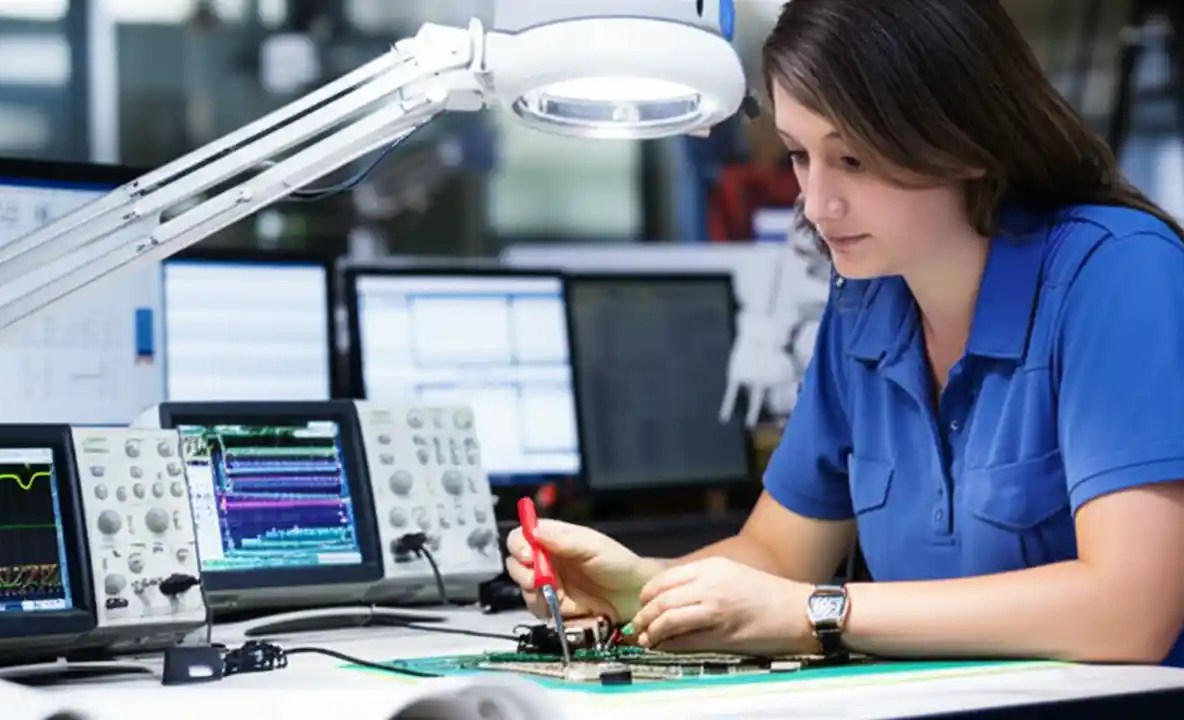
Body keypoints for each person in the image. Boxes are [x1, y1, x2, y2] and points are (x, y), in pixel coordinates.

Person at [505, 0, 1184, 667]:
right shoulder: (868, 302)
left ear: (964, 140)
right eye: (801, 155)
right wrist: (644, 589)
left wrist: (817, 615)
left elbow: (1128, 611)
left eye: (854, 160)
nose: (817, 204)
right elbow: (776, 556)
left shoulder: (1119, 271)